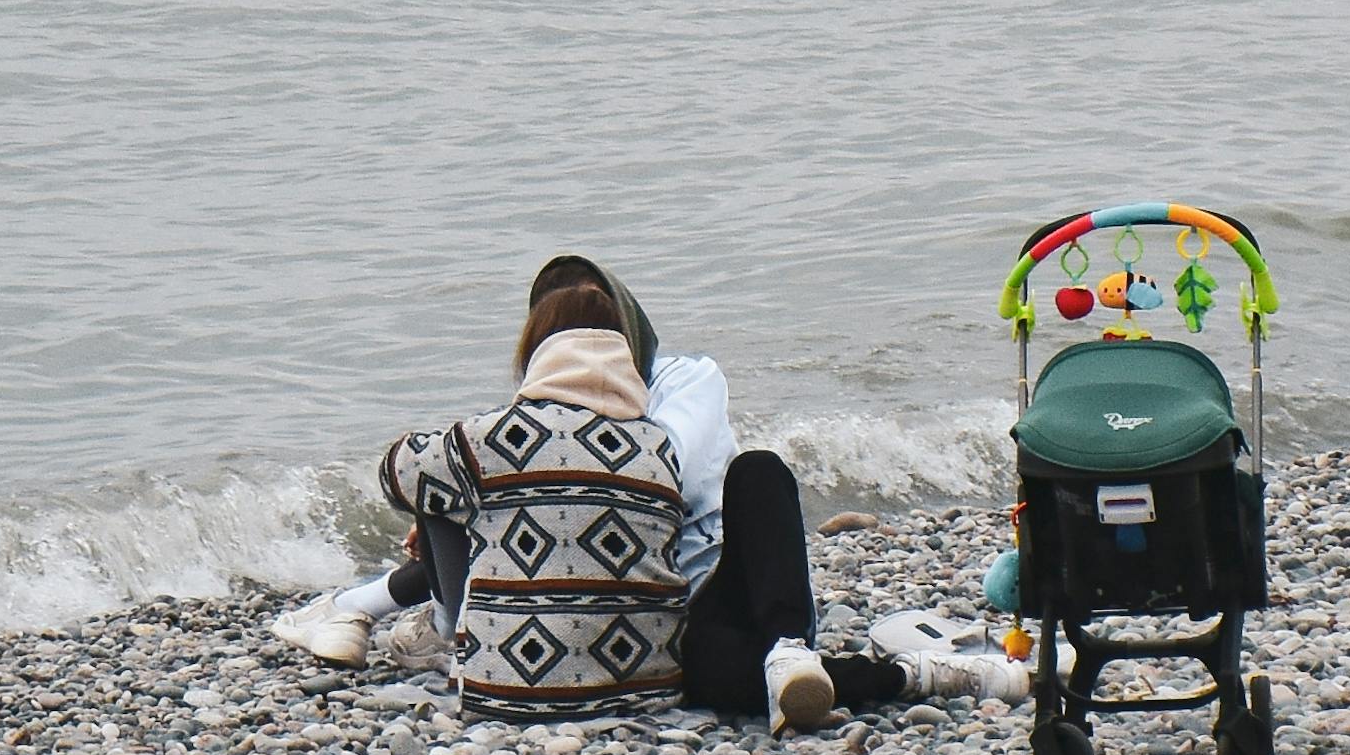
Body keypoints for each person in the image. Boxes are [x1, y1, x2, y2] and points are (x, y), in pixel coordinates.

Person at [273, 252, 1019, 730]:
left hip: (711, 584)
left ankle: (808, 648)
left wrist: (522, 473)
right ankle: (919, 675)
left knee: (758, 475)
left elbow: (671, 484)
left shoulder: (682, 383)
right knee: (740, 684)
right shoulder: (556, 429)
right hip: (658, 636)